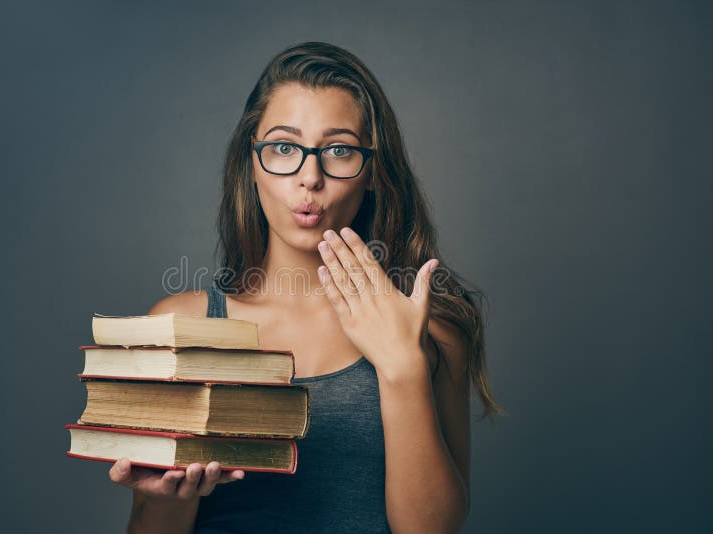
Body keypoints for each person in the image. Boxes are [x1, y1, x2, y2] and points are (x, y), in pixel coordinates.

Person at [108, 41, 502, 534]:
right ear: (251, 164)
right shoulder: (181, 324)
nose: (309, 178)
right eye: (284, 148)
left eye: (338, 150)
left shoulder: (431, 327)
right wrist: (165, 497)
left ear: (373, 171)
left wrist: (402, 367)